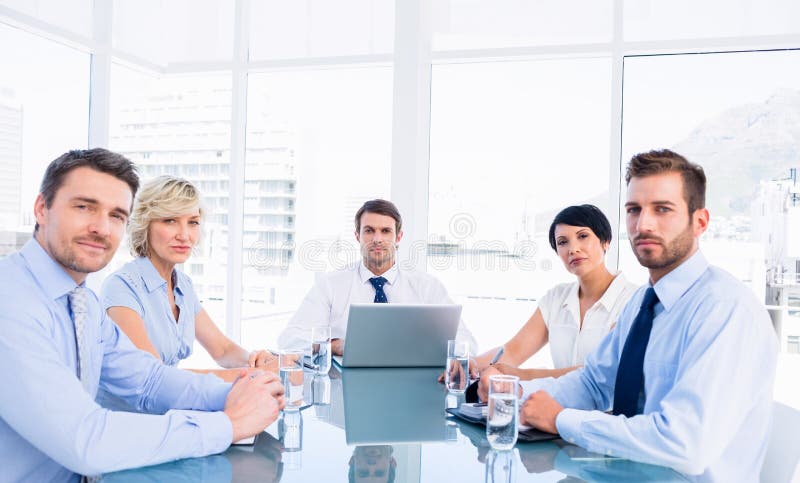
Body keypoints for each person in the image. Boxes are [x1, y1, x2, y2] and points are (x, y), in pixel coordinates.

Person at [0, 149, 284, 481]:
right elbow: (85, 440)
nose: (101, 228)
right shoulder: (12, 301)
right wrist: (228, 423)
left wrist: (243, 392)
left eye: (117, 215)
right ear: (41, 209)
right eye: (84, 207)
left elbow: (149, 380)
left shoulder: (85, 304)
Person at [518, 149, 778, 482]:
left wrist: (561, 419)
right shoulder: (644, 301)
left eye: (662, 210)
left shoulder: (724, 310)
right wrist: (516, 395)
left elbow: (683, 443)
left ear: (700, 222)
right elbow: (594, 383)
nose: (643, 224)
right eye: (634, 210)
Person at [100, 176, 276, 393]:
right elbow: (155, 376)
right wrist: (249, 376)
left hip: (169, 407)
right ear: (145, 225)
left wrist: (255, 361)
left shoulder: (182, 284)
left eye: (192, 222)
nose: (184, 235)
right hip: (132, 418)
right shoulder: (121, 287)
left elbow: (222, 349)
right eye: (170, 220)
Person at [470, 205, 637, 400]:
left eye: (583, 236)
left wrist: (524, 375)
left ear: (605, 241)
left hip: (607, 418)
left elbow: (601, 373)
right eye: (563, 242)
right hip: (555, 411)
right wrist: (471, 364)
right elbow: (514, 350)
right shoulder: (557, 298)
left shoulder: (632, 300)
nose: (573, 249)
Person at [278, 199, 476, 355]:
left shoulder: (427, 287)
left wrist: (421, 347)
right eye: (369, 231)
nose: (377, 239)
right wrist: (332, 346)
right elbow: (289, 340)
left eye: (386, 231)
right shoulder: (331, 285)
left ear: (398, 237)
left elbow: (467, 344)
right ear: (357, 236)